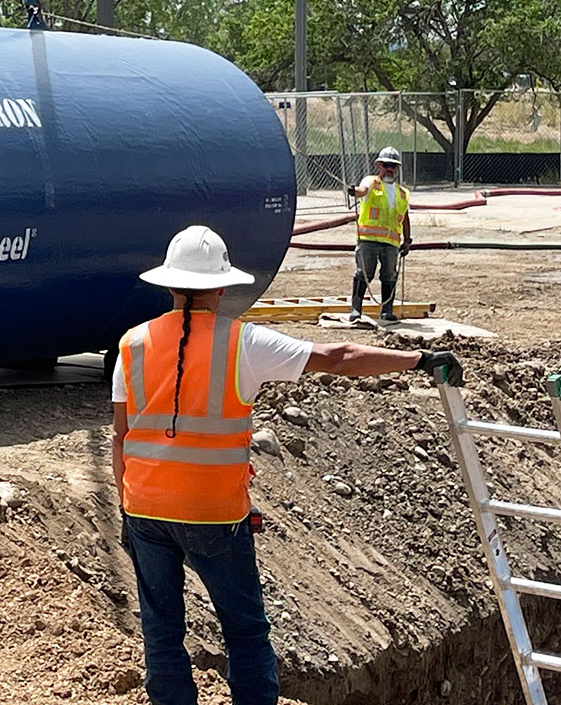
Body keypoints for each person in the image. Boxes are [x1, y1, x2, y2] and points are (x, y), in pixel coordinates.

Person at [112, 225, 462, 705]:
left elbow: (121, 436)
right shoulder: (243, 343)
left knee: (162, 633)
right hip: (214, 513)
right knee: (245, 632)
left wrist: (126, 511)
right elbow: (337, 356)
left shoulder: (131, 345)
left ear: (170, 284)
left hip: (146, 509)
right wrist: (418, 359)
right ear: (221, 286)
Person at [349, 146, 411, 323]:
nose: (389, 169)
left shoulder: (402, 192)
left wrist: (407, 241)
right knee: (363, 274)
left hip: (391, 243)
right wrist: (355, 191)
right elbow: (362, 191)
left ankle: (387, 310)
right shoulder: (371, 182)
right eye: (386, 165)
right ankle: (356, 310)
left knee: (389, 275)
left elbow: (405, 217)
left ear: (397, 168)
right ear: (379, 165)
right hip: (368, 240)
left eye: (393, 165)